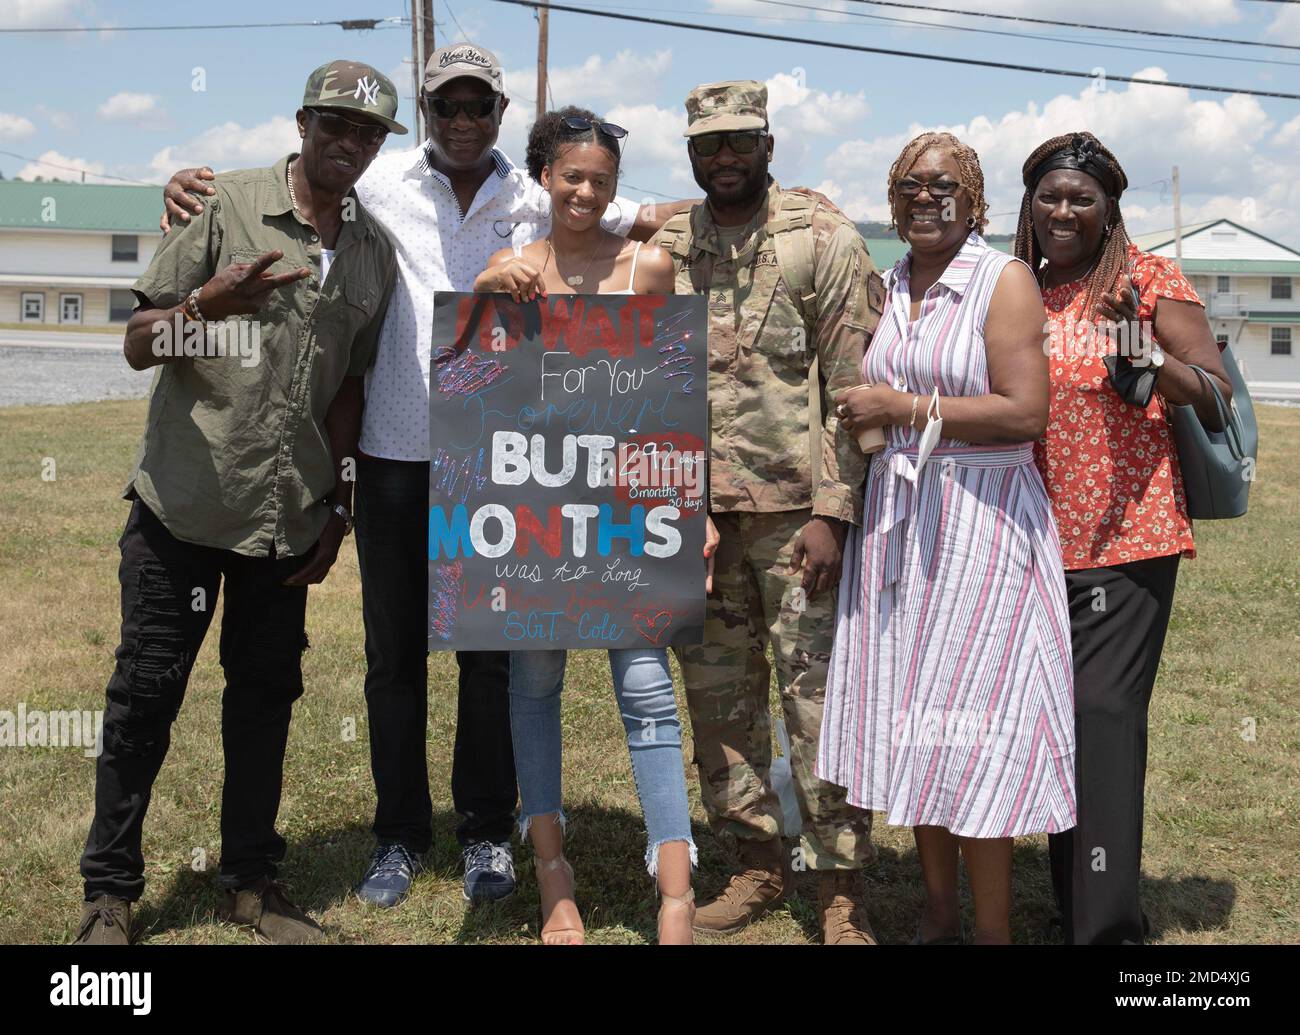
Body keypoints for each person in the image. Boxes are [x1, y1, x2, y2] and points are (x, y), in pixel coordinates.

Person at [161, 43, 695, 908]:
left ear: (499, 115)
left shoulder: (536, 192)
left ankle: (487, 827)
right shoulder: (376, 186)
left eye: (477, 107)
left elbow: (637, 215)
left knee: (488, 657)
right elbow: (294, 187)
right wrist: (190, 184)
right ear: (426, 108)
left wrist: (757, 204)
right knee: (394, 656)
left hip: (498, 461)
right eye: (445, 106)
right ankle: (399, 836)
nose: (460, 122)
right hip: (396, 451)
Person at [74, 61, 400, 945]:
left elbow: (346, 387)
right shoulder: (227, 205)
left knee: (266, 699)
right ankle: (110, 893)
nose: (350, 143)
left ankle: (251, 882)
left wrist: (337, 506)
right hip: (186, 505)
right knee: (145, 699)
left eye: (368, 133)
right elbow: (141, 344)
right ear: (302, 123)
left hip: (285, 520)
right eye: (336, 124)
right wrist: (206, 303)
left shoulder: (371, 251)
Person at [822, 131, 1077, 946]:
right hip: (906, 525)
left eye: (942, 186)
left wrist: (903, 409)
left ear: (973, 200)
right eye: (908, 187)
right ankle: (937, 917)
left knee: (978, 730)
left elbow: (1026, 411)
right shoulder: (890, 284)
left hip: (985, 520)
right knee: (919, 722)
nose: (924, 198)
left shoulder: (1002, 281)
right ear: (891, 201)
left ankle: (992, 932)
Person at [472, 107, 714, 946]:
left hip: (627, 508)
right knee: (533, 683)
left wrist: (698, 505)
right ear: (543, 176)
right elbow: (473, 382)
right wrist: (482, 293)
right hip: (540, 513)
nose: (584, 191)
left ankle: (674, 890)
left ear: (616, 188)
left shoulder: (645, 269)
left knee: (647, 687)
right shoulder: (512, 268)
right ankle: (553, 874)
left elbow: (678, 391)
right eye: (571, 176)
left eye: (601, 180)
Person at [651, 81, 883, 944]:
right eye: (709, 145)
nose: (724, 157)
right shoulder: (671, 245)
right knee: (720, 701)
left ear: (768, 144)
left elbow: (851, 391)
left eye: (739, 141)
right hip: (700, 519)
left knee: (817, 701)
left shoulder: (823, 240)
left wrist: (833, 511)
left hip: (796, 519)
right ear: (691, 153)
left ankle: (839, 884)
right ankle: (753, 861)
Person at [1015, 132, 1232, 945]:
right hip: (1029, 543)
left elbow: (1212, 396)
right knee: (1058, 724)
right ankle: (1075, 902)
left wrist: (1142, 351)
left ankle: (1107, 932)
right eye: (1049, 195)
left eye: (1082, 198)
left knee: (1103, 718)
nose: (1063, 211)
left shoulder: (1148, 280)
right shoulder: (1016, 288)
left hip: (1126, 539)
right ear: (1028, 204)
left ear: (1110, 211)